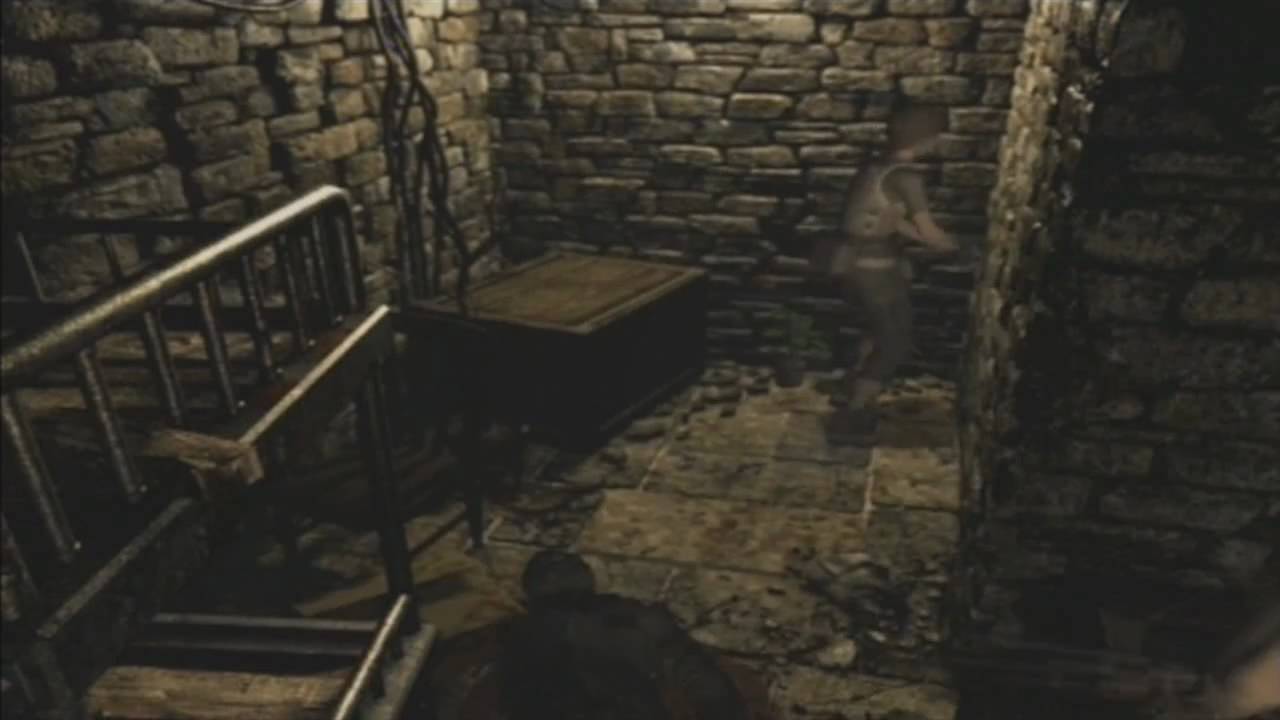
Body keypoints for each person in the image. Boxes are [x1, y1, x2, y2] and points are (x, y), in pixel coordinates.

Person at [815, 101, 959, 434]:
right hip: (875, 268)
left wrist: (923, 239)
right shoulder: (906, 176)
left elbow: (887, 220)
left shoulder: (876, 167)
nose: (939, 141)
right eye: (937, 134)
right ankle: (854, 412)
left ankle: (853, 386)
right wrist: (955, 247)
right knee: (895, 340)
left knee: (879, 330)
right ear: (924, 135)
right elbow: (928, 231)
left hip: (857, 265)